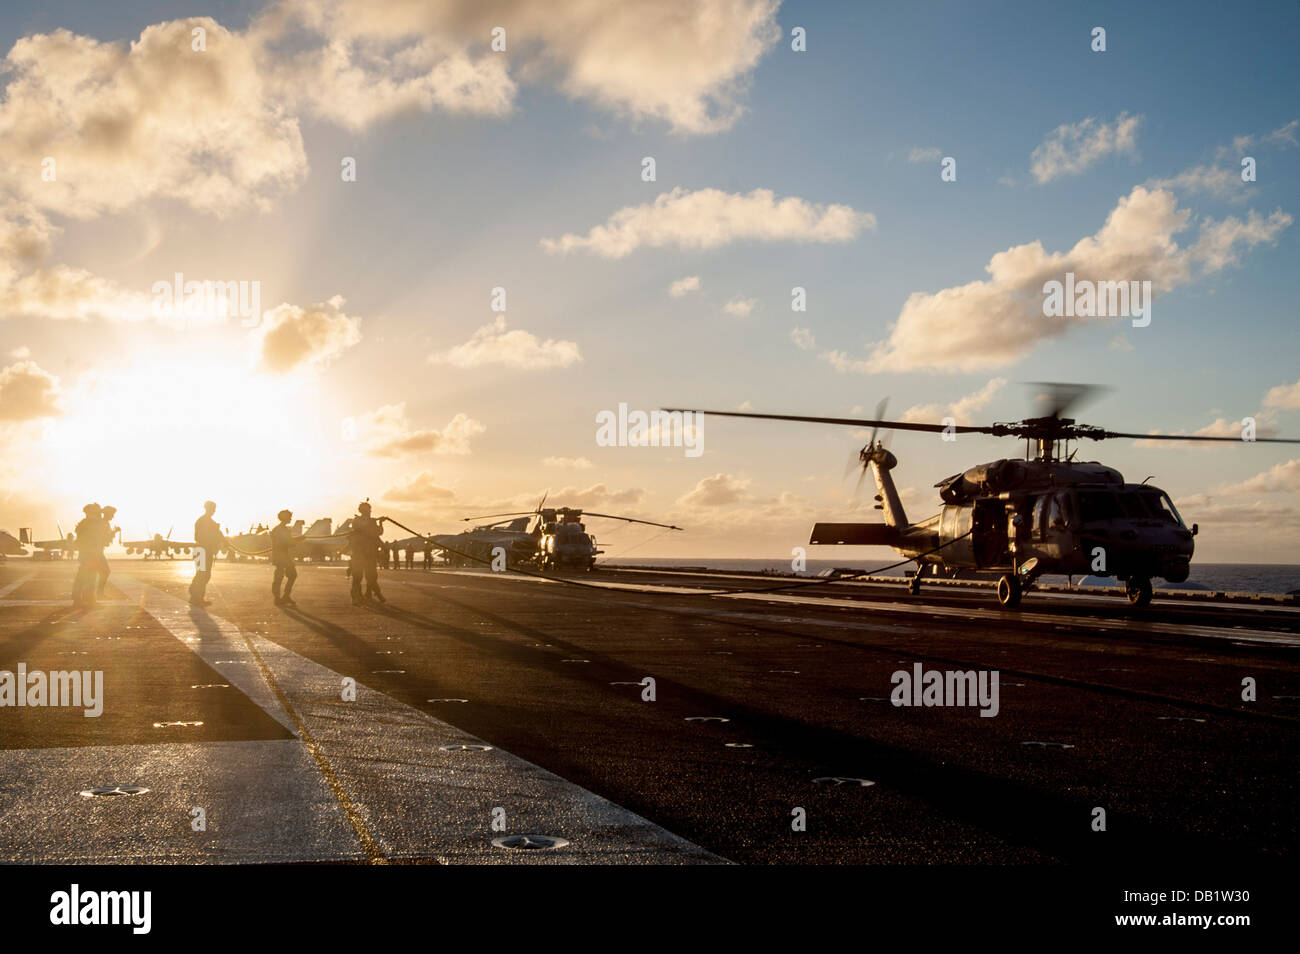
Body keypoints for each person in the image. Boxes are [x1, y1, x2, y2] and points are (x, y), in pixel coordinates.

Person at [189, 500, 227, 607]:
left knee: (205, 575)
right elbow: (198, 537)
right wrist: (213, 540)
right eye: (213, 508)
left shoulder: (211, 522)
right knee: (202, 574)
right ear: (208, 508)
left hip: (206, 550)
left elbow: (219, 535)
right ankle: (195, 596)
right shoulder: (202, 521)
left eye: (214, 509)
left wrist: (223, 541)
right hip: (201, 550)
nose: (214, 511)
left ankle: (197, 597)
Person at [348, 501, 385, 605]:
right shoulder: (357, 521)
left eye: (369, 510)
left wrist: (380, 523)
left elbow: (379, 532)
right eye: (367, 510)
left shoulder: (372, 521)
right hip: (359, 554)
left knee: (372, 576)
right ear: (361, 511)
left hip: (370, 554)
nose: (369, 512)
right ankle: (356, 596)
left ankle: (370, 594)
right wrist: (370, 521)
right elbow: (363, 528)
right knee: (357, 576)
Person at [71, 503, 104, 607]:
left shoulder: (86, 524)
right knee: (88, 577)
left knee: (85, 577)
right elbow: (89, 540)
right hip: (89, 554)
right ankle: (87, 600)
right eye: (96, 512)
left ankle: (82, 599)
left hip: (88, 554)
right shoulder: (88, 525)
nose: (98, 514)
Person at [270, 509, 298, 605]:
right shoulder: (280, 530)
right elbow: (284, 543)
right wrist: (295, 542)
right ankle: (278, 598)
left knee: (291, 575)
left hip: (283, 556)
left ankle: (285, 597)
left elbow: (286, 541)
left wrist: (295, 540)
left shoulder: (281, 529)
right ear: (284, 518)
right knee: (279, 577)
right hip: (280, 556)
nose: (291, 519)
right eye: (289, 517)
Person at [95, 505, 119, 597]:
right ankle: (99, 593)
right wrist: (114, 532)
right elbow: (104, 538)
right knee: (105, 571)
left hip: (98, 550)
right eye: (112, 514)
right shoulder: (103, 523)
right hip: (97, 551)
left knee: (103, 572)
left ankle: (97, 593)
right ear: (107, 514)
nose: (113, 516)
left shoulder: (103, 523)